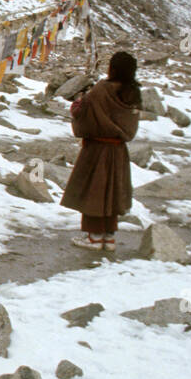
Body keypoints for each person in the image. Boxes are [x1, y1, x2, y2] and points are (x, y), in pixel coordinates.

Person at [60, 51, 141, 250]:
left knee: (94, 192)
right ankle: (108, 237)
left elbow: (83, 111)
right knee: (113, 193)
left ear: (112, 69)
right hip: (119, 150)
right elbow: (131, 123)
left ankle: (94, 237)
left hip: (97, 149)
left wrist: (77, 105)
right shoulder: (134, 93)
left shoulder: (102, 89)